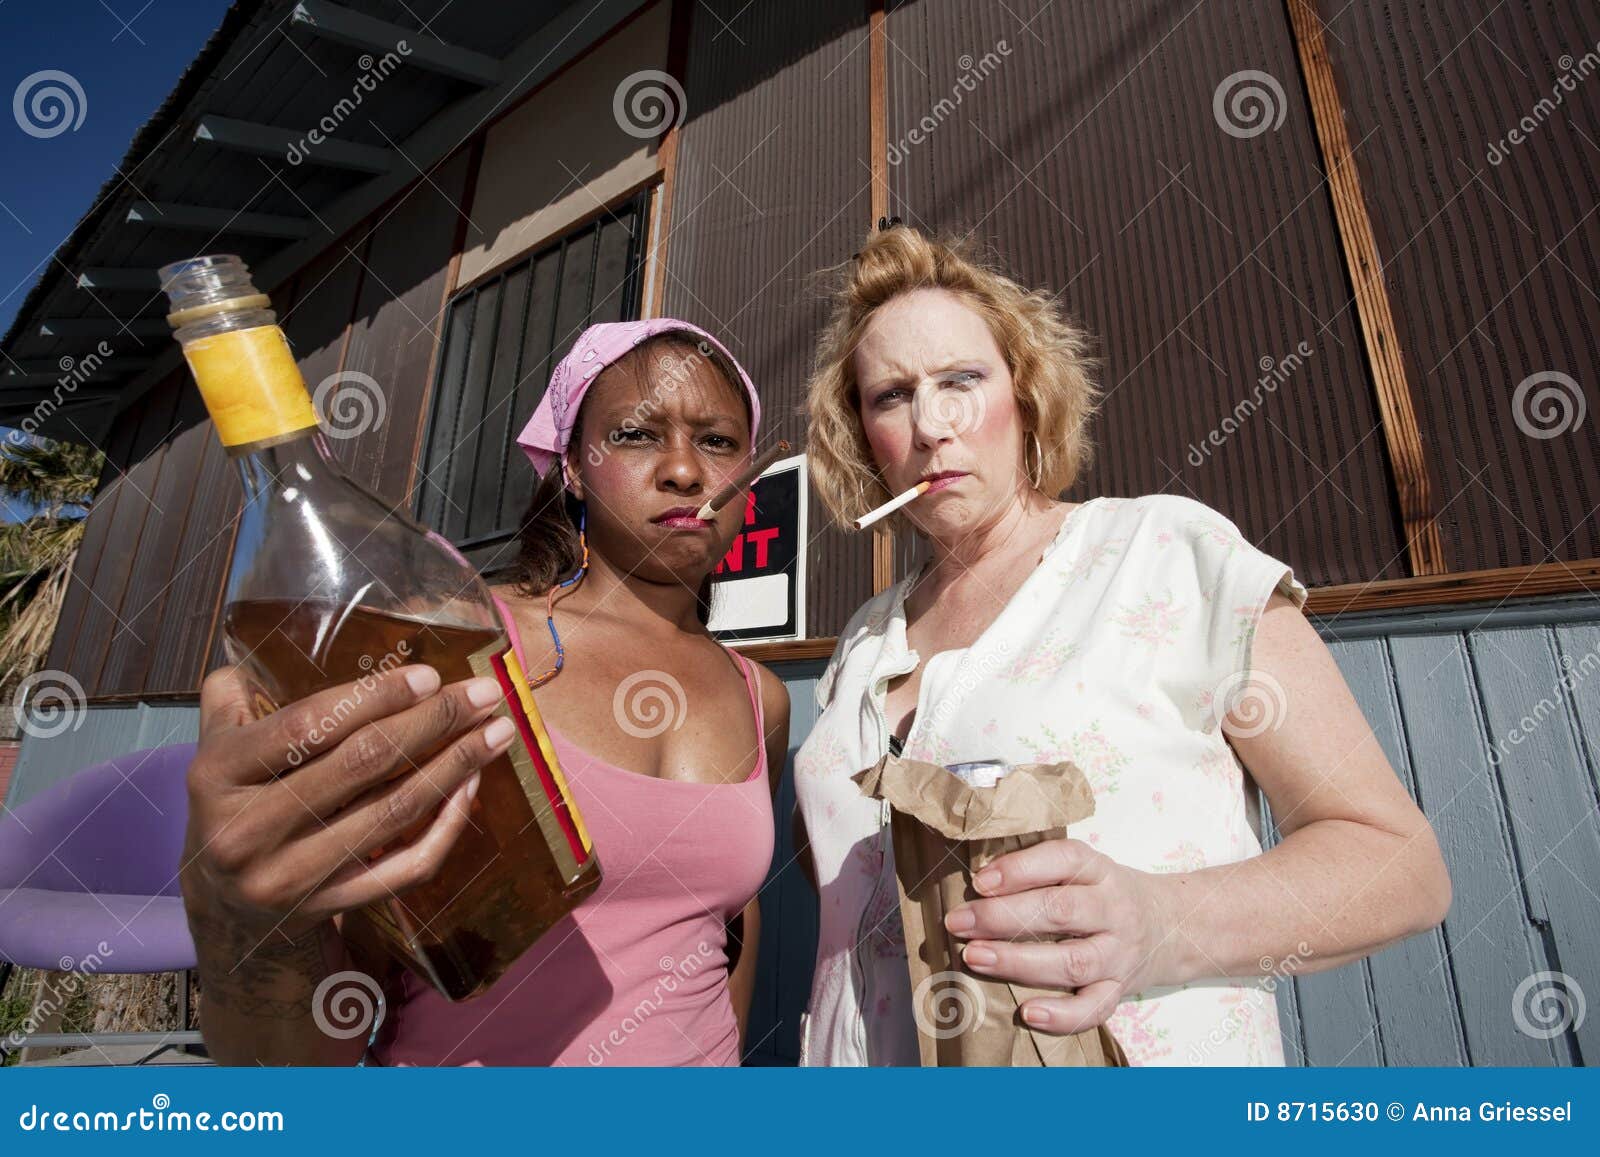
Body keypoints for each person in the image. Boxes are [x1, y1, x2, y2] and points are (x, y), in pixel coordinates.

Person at [792, 225, 1452, 1066]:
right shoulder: (863, 640)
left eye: (962, 379)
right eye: (890, 396)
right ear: (863, 437)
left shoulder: (1167, 557)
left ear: (1025, 394)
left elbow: (1400, 864)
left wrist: (1162, 924)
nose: (931, 424)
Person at [182, 318, 788, 1066]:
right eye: (635, 434)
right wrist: (235, 920)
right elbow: (296, 1056)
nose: (685, 470)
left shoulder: (758, 694)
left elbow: (727, 917)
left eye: (718, 441)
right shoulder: (462, 645)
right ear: (571, 465)